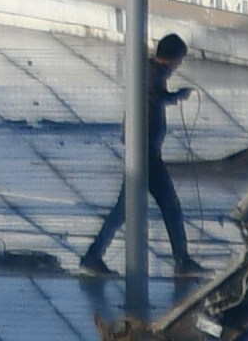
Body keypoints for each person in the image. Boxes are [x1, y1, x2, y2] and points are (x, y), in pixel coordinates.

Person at [81, 32, 199, 282]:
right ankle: (182, 260)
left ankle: (94, 255)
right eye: (179, 61)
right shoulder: (152, 74)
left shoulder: (149, 71)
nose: (179, 66)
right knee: (168, 206)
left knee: (125, 209)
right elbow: (154, 97)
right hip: (145, 154)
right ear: (172, 58)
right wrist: (177, 96)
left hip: (144, 151)